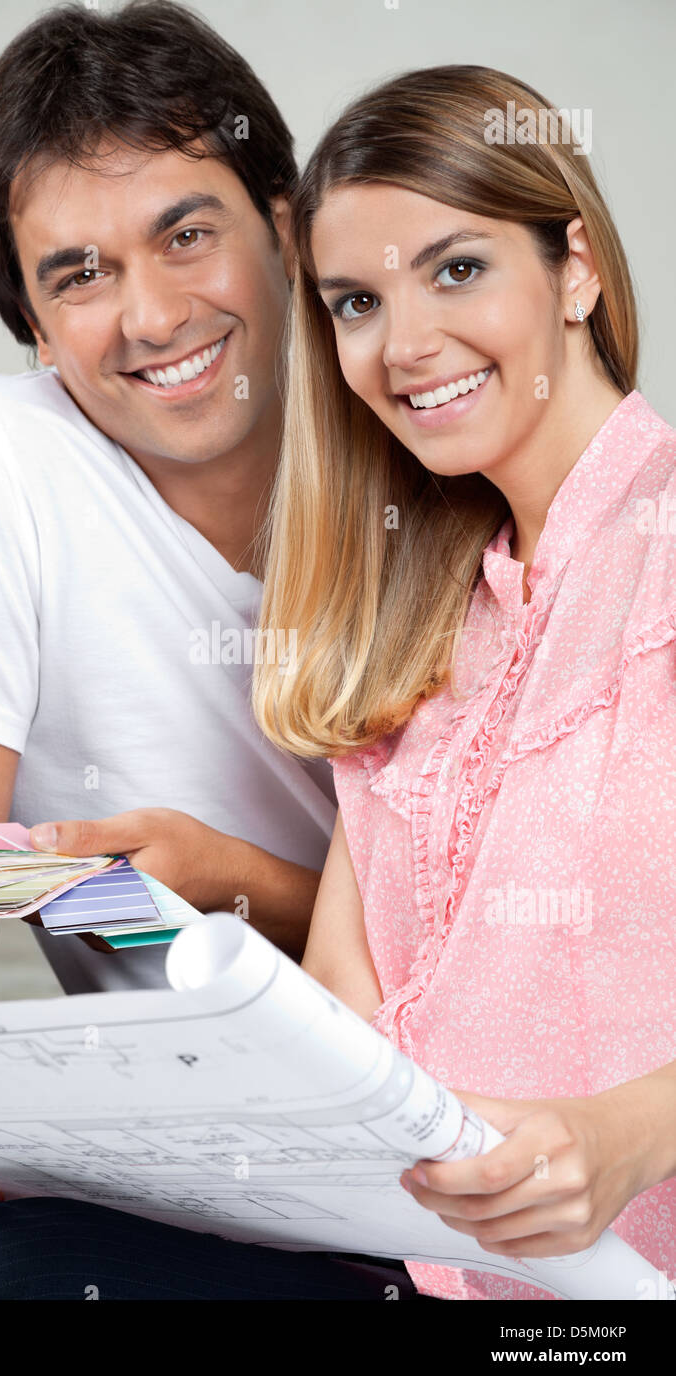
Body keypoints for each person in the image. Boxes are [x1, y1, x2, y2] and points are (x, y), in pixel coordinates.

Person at [0, 1, 417, 1299]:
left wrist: (229, 881)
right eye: (76, 274)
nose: (148, 316)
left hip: (398, 1138)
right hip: (154, 1111)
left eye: (185, 234)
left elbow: (508, 961)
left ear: (286, 226)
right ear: (32, 326)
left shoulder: (428, 445)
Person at [251, 63, 676, 1299]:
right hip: (410, 1271)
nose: (404, 344)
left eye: (455, 268)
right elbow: (341, 1018)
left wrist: (627, 1132)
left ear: (576, 267)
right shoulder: (411, 617)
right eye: (352, 301)